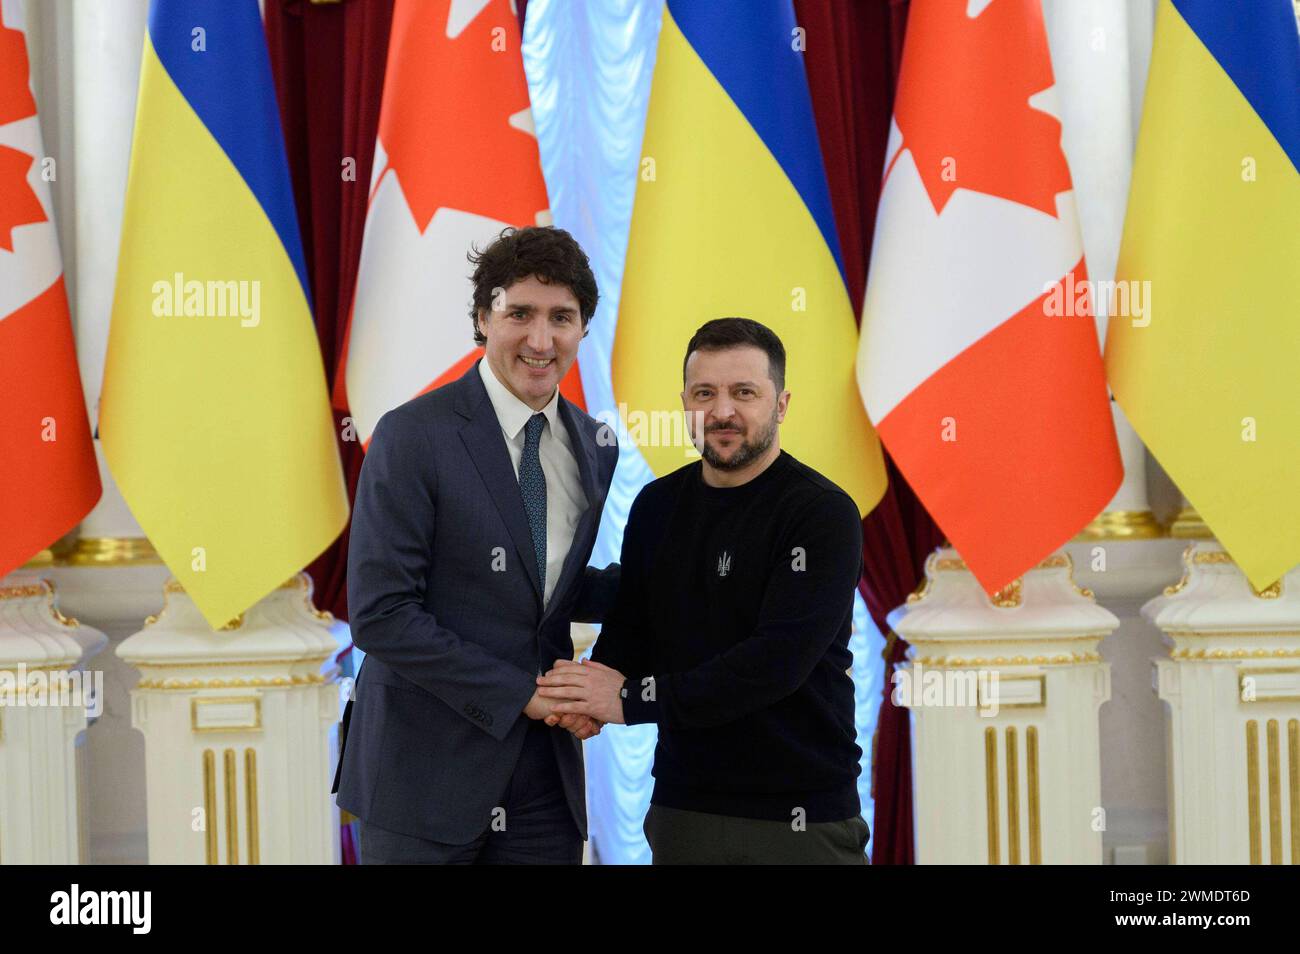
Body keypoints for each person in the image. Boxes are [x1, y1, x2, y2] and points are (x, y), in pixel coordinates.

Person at [334, 226, 619, 864]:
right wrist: (521, 691)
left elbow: (545, 587)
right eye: (520, 313)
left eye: (561, 318)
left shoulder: (596, 443)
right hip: (421, 780)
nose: (540, 340)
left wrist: (682, 583)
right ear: (482, 318)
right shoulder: (413, 435)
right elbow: (381, 615)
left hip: (545, 782)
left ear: (582, 329)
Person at [536, 317, 869, 864]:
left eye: (744, 393)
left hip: (798, 818)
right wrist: (582, 698)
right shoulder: (656, 506)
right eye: (704, 393)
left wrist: (623, 699)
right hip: (682, 810)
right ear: (685, 401)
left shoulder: (821, 514)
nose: (722, 412)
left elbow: (773, 663)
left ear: (781, 404)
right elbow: (634, 627)